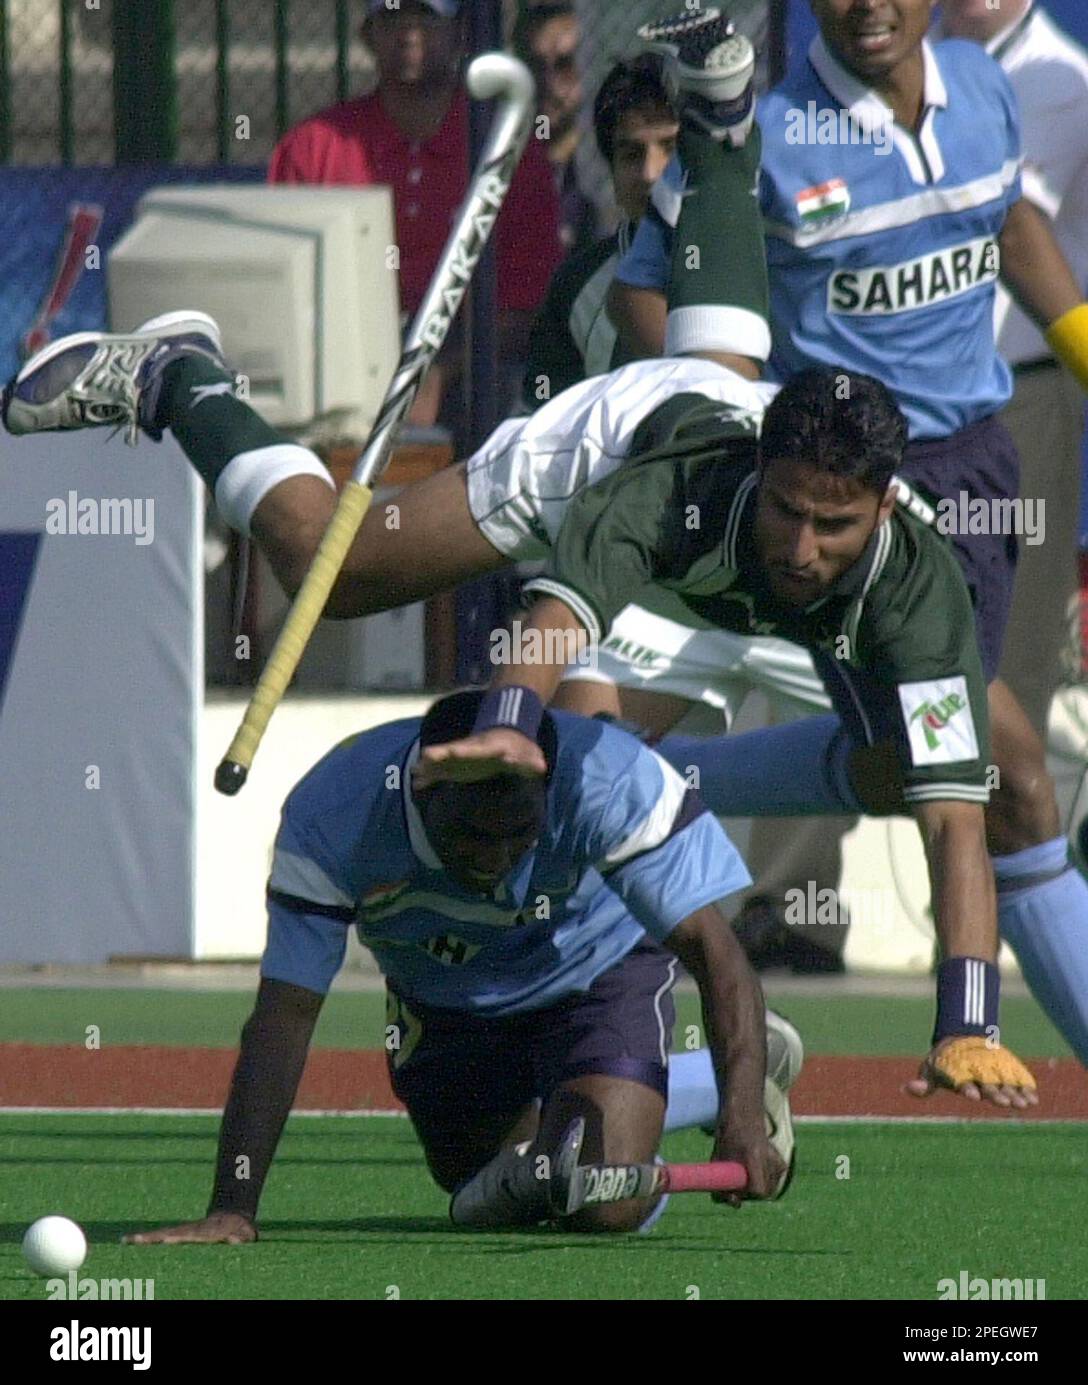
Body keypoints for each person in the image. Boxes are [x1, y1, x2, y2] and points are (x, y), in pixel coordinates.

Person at [1, 10, 1069, 1087]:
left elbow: (948, 817)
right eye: (785, 516)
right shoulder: (662, 502)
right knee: (339, 567)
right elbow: (550, 623)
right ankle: (184, 380)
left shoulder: (916, 586)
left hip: (736, 395)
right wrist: (508, 731)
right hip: (609, 448)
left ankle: (718, 119)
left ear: (884, 515)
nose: (799, 546)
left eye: (829, 528)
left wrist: (965, 1019)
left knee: (948, 752)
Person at [607, 0, 1088, 980]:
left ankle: (663, 772)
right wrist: (731, 407)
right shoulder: (770, 137)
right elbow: (643, 283)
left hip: (981, 471)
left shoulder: (984, 89)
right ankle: (974, 1024)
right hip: (861, 497)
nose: (868, 3)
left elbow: (1009, 221)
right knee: (1009, 778)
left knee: (911, 765)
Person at [116, 690, 793, 1243]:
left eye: (519, 834)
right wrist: (233, 1203)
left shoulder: (609, 781)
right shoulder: (335, 814)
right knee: (484, 1181)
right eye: (472, 833)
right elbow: (285, 1017)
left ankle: (720, 1083)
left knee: (599, 1202)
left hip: (595, 972)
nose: (497, 859)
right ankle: (700, 1079)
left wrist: (741, 1116)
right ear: (420, 790)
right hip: (443, 1000)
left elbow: (716, 952)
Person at [269, 0, 563, 431]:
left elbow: (528, 304)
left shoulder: (507, 147)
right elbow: (281, 297)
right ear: (367, 34)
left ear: (460, 31)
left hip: (471, 380)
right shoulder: (311, 148)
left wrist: (436, 374)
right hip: (335, 375)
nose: (409, 32)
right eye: (392, 17)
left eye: (425, 16)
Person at [939, 0, 1088, 740]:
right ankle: (791, 859)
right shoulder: (874, 64)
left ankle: (1018, 853)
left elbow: (994, 221)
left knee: (1010, 653)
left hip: (1020, 402)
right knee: (842, 646)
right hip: (894, 397)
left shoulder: (1062, 81)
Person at [522, 54, 680, 408]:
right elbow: (540, 426)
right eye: (631, 154)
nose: (650, 173)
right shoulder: (577, 285)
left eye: (671, 148)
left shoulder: (767, 264)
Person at [513, 0, 599, 252]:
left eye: (564, 64)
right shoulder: (506, 169)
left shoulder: (606, 165)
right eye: (535, 66)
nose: (548, 84)